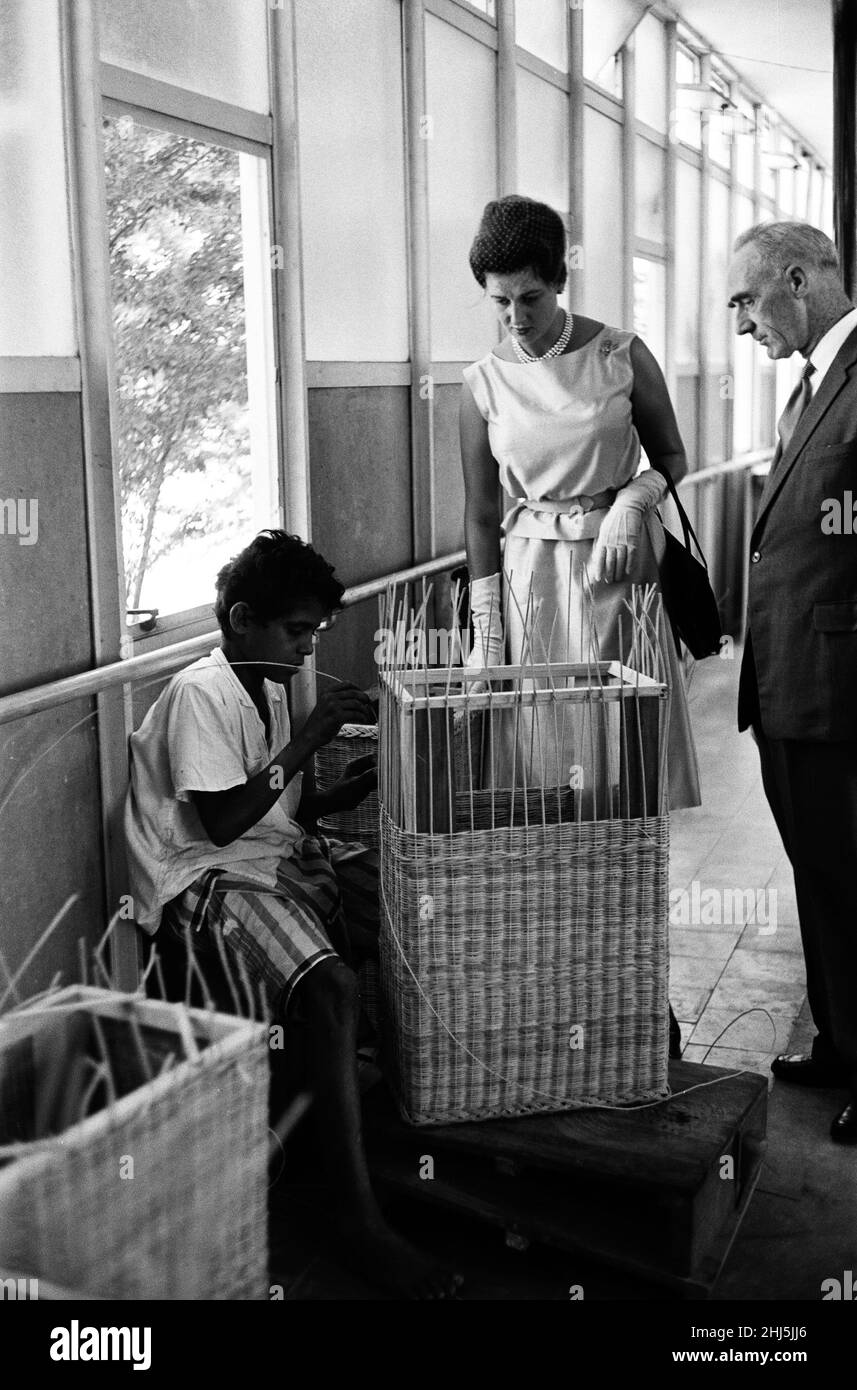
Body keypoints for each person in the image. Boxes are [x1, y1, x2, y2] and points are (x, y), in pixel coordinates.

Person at [125, 529, 463, 1295]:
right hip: (196, 882)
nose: (307, 648)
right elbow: (218, 824)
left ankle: (359, 1120)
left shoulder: (264, 687)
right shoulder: (199, 693)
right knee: (332, 988)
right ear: (241, 618)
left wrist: (350, 787)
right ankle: (354, 1219)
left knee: (408, 918)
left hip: (257, 857)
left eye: (312, 631)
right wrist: (314, 735)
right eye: (296, 630)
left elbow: (284, 803)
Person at [460, 195, 701, 1058]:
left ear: (559, 280)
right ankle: (561, 988)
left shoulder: (618, 354)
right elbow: (479, 515)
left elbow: (673, 457)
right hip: (529, 589)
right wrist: (487, 638)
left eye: (528, 296)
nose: (514, 318)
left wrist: (637, 500)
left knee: (620, 794)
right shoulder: (482, 382)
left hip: (616, 574)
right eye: (498, 301)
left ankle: (641, 991)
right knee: (544, 796)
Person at [727, 221, 857, 1144]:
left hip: (843, 687)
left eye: (744, 299)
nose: (739, 323)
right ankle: (841, 1039)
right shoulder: (810, 388)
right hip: (791, 683)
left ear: (798, 279)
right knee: (820, 875)